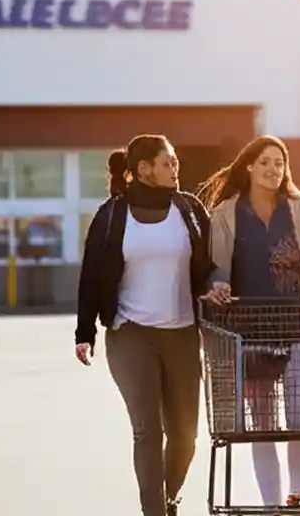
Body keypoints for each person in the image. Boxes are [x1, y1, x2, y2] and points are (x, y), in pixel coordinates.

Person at [75, 134, 232, 516]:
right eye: (168, 162)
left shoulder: (190, 210)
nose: (175, 168)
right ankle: (154, 513)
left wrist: (213, 287)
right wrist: (85, 333)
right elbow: (92, 275)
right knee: (148, 432)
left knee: (185, 437)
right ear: (142, 169)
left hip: (181, 333)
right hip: (131, 334)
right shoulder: (112, 216)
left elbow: (206, 265)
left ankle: (169, 497)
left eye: (175, 161)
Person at [197, 135, 300, 511]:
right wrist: (218, 285)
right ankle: (272, 504)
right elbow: (215, 268)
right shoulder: (227, 214)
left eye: (279, 162)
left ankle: (296, 491)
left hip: (298, 324)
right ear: (248, 166)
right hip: (249, 331)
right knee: (262, 421)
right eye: (265, 162)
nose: (273, 169)